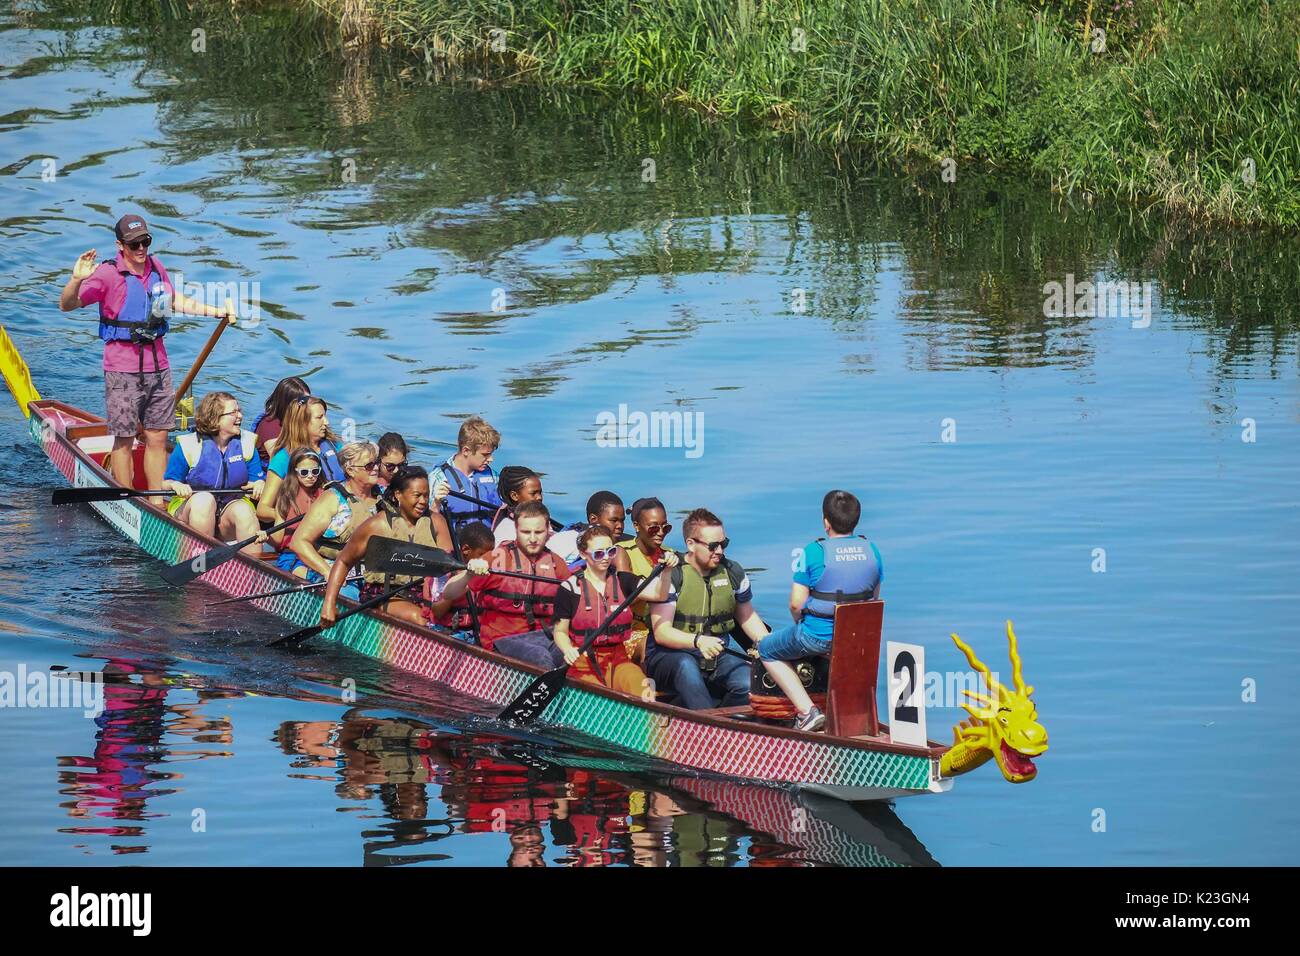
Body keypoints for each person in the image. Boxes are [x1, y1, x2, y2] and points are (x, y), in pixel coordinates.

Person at [59, 213, 234, 489]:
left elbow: (174, 301)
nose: (141, 249)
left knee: (157, 437)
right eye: (134, 244)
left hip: (159, 367)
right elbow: (67, 304)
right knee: (125, 437)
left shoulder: (155, 268)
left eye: (145, 242)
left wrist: (216, 312)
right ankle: (124, 497)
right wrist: (76, 279)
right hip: (121, 369)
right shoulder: (107, 274)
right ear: (120, 245)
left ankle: (157, 502)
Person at [758, 490, 882, 732]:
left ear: (826, 522)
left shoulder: (814, 552)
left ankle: (807, 713)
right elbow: (873, 598)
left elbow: (795, 603)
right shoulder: (872, 550)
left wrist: (800, 623)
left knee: (766, 649)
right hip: (856, 640)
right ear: (855, 520)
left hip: (816, 636)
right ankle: (854, 717)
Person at [646, 509, 769, 710]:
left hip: (717, 655)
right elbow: (662, 633)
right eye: (713, 546)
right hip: (669, 657)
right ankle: (706, 725)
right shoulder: (672, 575)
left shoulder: (733, 572)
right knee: (686, 668)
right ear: (690, 544)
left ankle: (723, 720)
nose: (719, 551)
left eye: (723, 544)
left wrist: (769, 647)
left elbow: (747, 617)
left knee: (749, 683)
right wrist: (698, 641)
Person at [319, 466, 452, 627]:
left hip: (425, 594)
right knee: (422, 620)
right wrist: (329, 604)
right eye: (417, 496)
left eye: (426, 496)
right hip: (385, 594)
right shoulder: (377, 525)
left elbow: (448, 569)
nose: (423, 502)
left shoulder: (437, 522)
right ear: (398, 495)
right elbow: (343, 562)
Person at [551, 524, 675, 695]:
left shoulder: (623, 581)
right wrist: (568, 650)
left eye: (611, 552)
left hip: (619, 659)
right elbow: (560, 632)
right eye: (599, 553)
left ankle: (649, 719)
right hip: (583, 662)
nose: (606, 558)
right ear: (583, 554)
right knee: (598, 697)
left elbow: (659, 595)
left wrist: (666, 572)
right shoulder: (570, 588)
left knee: (643, 690)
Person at [465, 500, 569, 668]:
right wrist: (468, 573)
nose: (533, 539)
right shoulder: (497, 558)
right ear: (516, 530)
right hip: (501, 639)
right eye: (526, 532)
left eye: (539, 532)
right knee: (539, 656)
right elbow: (451, 592)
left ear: (548, 530)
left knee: (571, 651)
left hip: (543, 635)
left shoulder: (557, 563)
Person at [160, 391, 265, 554]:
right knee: (204, 500)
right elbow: (166, 483)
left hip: (226, 513)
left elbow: (257, 480)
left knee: (244, 510)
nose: (240, 416)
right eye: (233, 412)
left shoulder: (247, 443)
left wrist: (259, 484)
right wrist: (176, 485)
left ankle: (253, 569)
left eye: (240, 410)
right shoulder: (189, 445)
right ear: (215, 418)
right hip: (192, 512)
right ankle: (198, 559)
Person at [289, 440, 381, 584]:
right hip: (338, 576)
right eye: (369, 465)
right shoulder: (332, 499)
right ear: (350, 470)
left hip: (374, 577)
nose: (376, 468)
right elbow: (299, 542)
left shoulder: (383, 498)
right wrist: (328, 571)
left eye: (377, 462)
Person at [616, 497, 677, 662]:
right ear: (636, 526)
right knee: (657, 646)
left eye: (666, 527)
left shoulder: (670, 554)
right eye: (653, 528)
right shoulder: (623, 552)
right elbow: (625, 597)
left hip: (665, 627)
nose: (660, 533)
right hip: (633, 631)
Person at [261, 396, 344, 510]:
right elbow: (263, 509)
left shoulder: (336, 447)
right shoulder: (283, 458)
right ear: (303, 422)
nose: (326, 422)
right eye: (319, 417)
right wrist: (288, 516)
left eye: (325, 416)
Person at [257, 446, 326, 574]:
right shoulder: (285, 500)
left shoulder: (326, 496)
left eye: (315, 471)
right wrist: (266, 537)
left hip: (319, 553)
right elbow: (277, 540)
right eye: (304, 472)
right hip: (292, 556)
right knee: (307, 575)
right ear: (295, 472)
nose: (310, 476)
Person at [433, 416, 502, 543]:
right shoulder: (438, 478)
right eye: (485, 455)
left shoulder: (494, 477)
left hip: (488, 548)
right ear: (466, 451)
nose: (491, 459)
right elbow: (426, 523)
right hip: (456, 549)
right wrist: (436, 504)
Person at [422, 522, 495, 635]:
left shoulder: (487, 570)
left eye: (489, 555)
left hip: (476, 631)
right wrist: (462, 582)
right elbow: (437, 612)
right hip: (448, 632)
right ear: (466, 550)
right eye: (482, 554)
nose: (486, 560)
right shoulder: (445, 569)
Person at [251, 376, 310, 464]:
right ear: (288, 404)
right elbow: (280, 462)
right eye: (303, 402)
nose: (309, 406)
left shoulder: (301, 421)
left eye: (309, 400)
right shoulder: (269, 425)